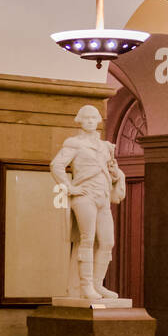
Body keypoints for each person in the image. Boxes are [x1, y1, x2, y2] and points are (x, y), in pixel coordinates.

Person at [50, 105, 126, 300]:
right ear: (80, 120)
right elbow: (56, 165)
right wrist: (71, 188)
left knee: (108, 242)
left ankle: (98, 285)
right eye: (87, 117)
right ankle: (86, 286)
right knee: (88, 239)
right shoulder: (74, 143)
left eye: (94, 117)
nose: (91, 121)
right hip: (85, 196)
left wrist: (116, 173)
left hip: (102, 196)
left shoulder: (105, 146)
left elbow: (110, 171)